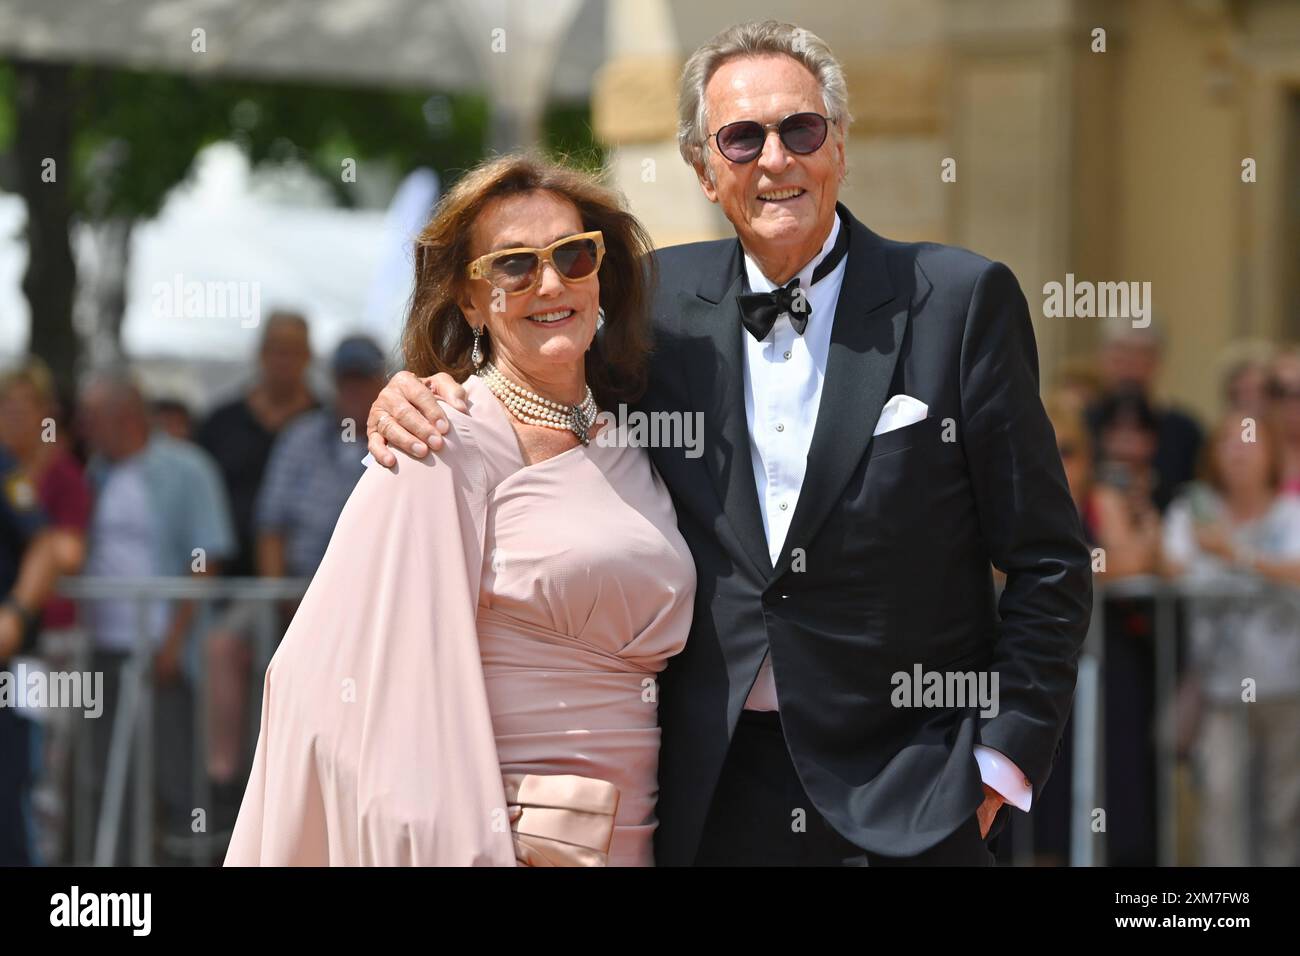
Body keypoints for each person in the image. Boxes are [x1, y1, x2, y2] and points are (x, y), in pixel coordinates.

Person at [366, 20, 1092, 866]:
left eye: (801, 129)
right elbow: (534, 363)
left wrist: (1000, 762)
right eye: (742, 138)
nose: (775, 159)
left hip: (913, 792)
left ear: (840, 146)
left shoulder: (960, 302)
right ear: (705, 170)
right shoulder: (654, 307)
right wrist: (415, 389)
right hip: (709, 796)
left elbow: (1049, 559)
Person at [225, 154, 696, 866]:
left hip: (644, 835)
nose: (550, 282)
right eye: (513, 265)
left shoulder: (629, 437)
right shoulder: (437, 441)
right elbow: (316, 689)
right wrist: (466, 840)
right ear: (470, 300)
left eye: (573, 256)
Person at [77, 371, 236, 863]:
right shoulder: (94, 474)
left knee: (175, 772)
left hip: (165, 653)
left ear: (123, 417)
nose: (84, 430)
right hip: (104, 649)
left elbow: (206, 557)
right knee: (107, 772)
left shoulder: (187, 469)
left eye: (92, 419)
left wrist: (173, 639)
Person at [1163, 412, 1300, 865]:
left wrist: (1236, 555)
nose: (1239, 452)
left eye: (1251, 441)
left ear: (1273, 455)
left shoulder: (1291, 513)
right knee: (1220, 801)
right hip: (1220, 689)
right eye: (1228, 441)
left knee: (1283, 809)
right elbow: (1167, 565)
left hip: (1286, 686)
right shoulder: (1192, 511)